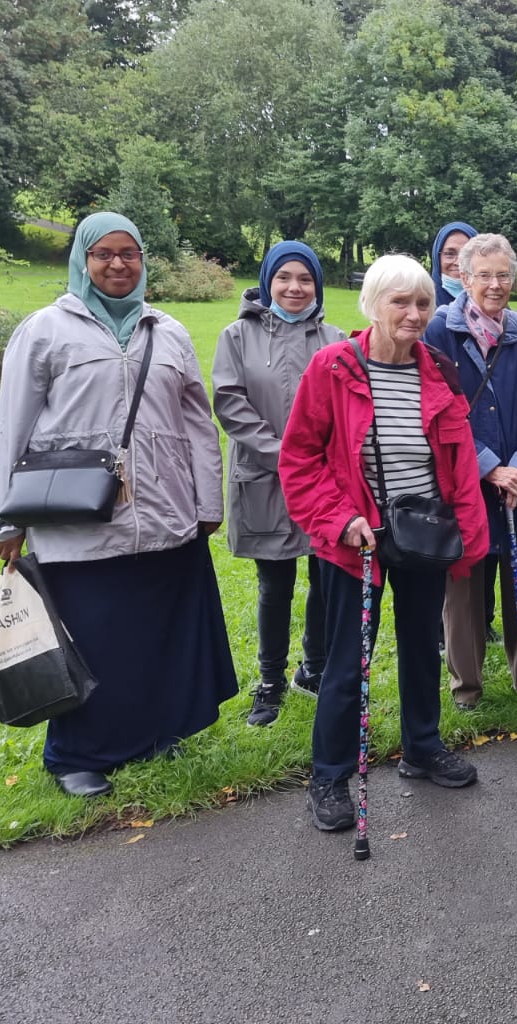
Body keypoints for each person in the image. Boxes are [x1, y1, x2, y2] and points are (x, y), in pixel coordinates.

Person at [0, 211, 236, 798]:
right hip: (77, 519)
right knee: (92, 639)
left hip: (164, 514)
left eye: (130, 253)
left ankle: (155, 733)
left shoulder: (167, 332)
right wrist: (6, 517)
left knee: (156, 632)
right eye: (104, 254)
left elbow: (198, 426)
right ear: (83, 260)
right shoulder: (45, 331)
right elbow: (12, 427)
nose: (118, 264)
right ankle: (76, 755)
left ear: (143, 260)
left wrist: (208, 500)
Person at [280, 255, 490, 832]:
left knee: (423, 646)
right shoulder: (332, 367)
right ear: (373, 305)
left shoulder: (438, 369)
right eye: (400, 302)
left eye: (423, 303)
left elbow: (458, 459)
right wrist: (338, 517)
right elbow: (300, 458)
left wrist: (467, 534)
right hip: (358, 539)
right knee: (348, 661)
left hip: (424, 532)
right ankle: (329, 775)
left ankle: (422, 747)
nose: (414, 314)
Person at [424, 234, 517, 720]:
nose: (495, 284)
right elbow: (441, 411)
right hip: (466, 484)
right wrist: (490, 468)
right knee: (463, 589)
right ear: (464, 279)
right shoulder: (440, 331)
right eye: (484, 275)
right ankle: (466, 685)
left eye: (503, 275)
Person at [212, 241, 345, 725]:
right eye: (284, 277)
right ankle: (270, 681)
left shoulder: (334, 338)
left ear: (317, 285)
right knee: (275, 584)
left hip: (323, 483)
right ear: (267, 281)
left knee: (325, 578)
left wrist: (317, 462)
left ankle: (315, 667)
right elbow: (230, 403)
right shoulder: (237, 336)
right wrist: (284, 456)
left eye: (305, 279)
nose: (294, 287)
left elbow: (346, 408)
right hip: (265, 479)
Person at [432, 221, 477, 307]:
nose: (458, 263)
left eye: (467, 255)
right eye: (450, 254)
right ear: (437, 257)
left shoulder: (494, 307)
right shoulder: (421, 305)